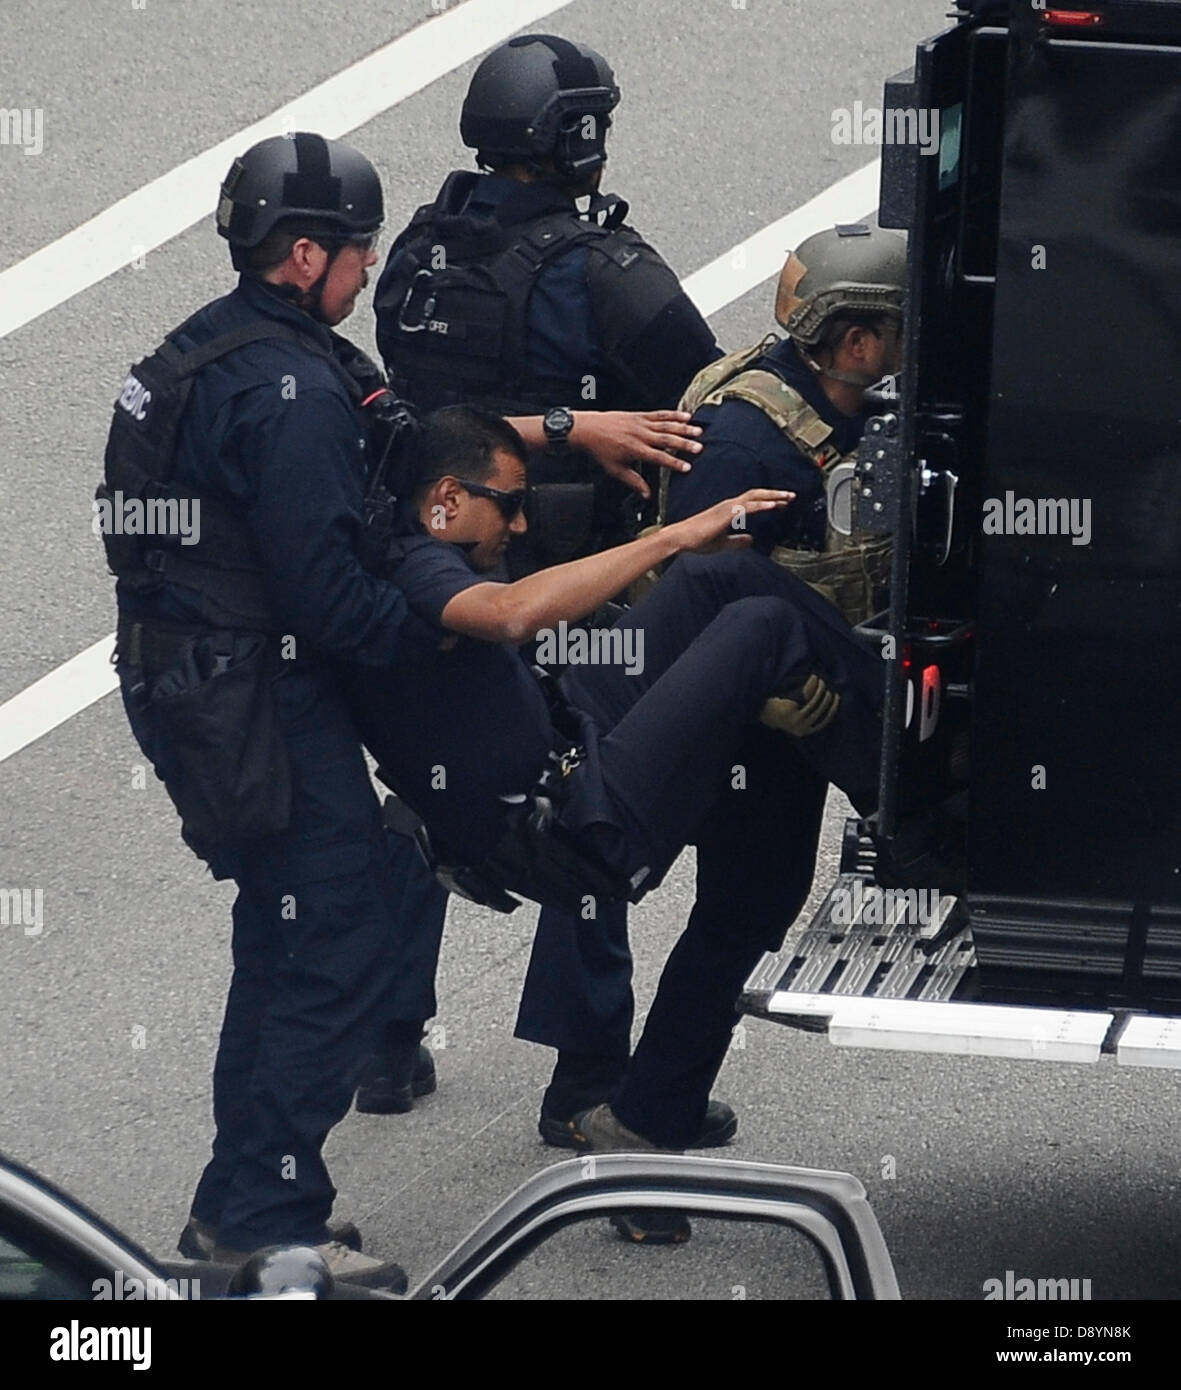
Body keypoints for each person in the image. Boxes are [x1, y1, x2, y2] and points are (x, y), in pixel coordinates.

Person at [334, 407, 886, 1239]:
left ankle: (650, 1111)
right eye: (507, 505)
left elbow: (386, 426)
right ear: (445, 499)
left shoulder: (397, 510)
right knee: (759, 626)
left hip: (563, 728)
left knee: (716, 582)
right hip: (571, 825)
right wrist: (669, 536)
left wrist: (573, 434)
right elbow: (514, 612)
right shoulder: (417, 570)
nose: (519, 524)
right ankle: (908, 799)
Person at [364, 32, 725, 1138]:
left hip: (432, 570)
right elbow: (700, 406)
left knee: (428, 789)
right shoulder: (603, 270)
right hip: (566, 581)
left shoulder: (415, 257)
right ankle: (586, 1087)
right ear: (578, 136)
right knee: (589, 801)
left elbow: (420, 420)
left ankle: (383, 1045)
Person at [99, 132, 436, 1290]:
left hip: (185, 680)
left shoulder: (204, 351)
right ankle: (263, 1216)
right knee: (335, 931)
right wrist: (443, 633)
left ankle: (236, 1200)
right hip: (256, 692)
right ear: (305, 254)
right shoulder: (291, 392)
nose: (366, 265)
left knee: (281, 930)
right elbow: (328, 595)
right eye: (356, 247)